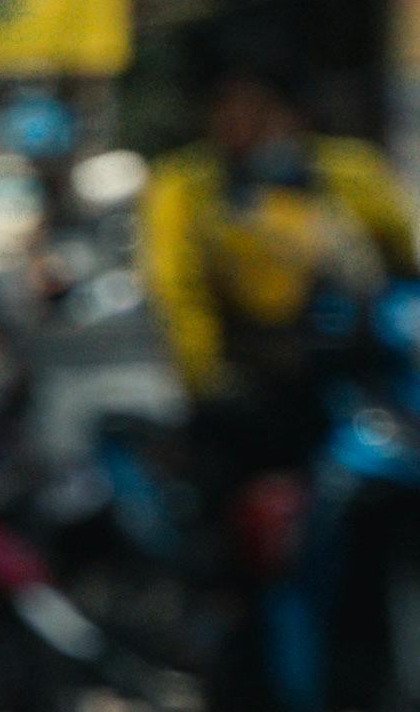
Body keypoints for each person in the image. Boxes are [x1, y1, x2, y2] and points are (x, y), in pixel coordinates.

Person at [141, 54, 414, 487]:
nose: (238, 122)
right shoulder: (186, 186)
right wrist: (208, 381)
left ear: (296, 113)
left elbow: (404, 262)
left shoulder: (349, 171)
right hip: (251, 387)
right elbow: (178, 292)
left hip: (354, 373)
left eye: (257, 109)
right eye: (224, 107)